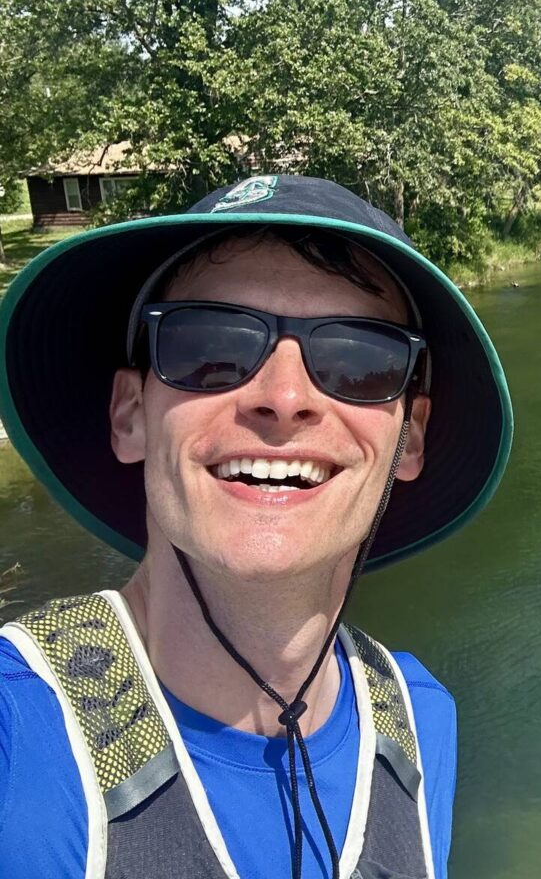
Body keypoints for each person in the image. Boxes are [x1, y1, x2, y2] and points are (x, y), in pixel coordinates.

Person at [0, 174, 513, 879]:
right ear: (130, 415)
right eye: (209, 348)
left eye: (359, 359)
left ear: (410, 441)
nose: (285, 397)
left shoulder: (420, 725)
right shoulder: (16, 730)